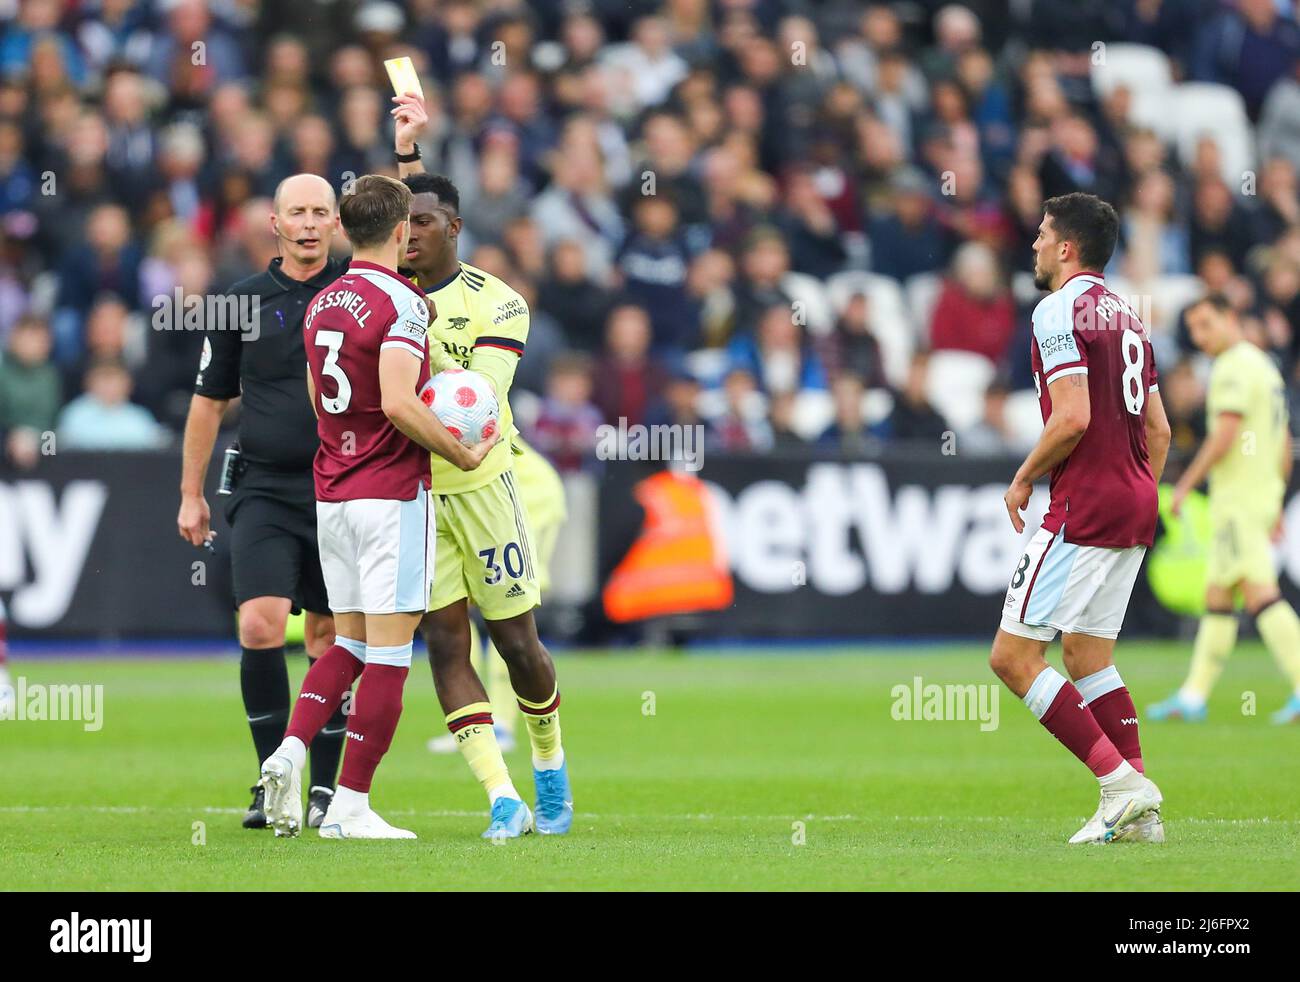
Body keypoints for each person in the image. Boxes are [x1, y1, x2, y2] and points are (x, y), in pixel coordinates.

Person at [259, 174, 491, 839]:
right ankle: (351, 805)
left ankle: (290, 750)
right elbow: (396, 400)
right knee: (389, 654)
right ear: (398, 232)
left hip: (333, 490)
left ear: (340, 228)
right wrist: (459, 450)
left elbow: (316, 396)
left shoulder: (321, 300)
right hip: (390, 493)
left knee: (349, 641)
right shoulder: (404, 304)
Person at [395, 92, 574, 838]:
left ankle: (549, 765)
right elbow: (395, 200)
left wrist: (447, 414)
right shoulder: (383, 293)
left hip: (484, 484)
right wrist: (406, 148)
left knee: (518, 644)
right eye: (400, 224)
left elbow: (483, 397)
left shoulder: (498, 304)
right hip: (415, 493)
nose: (408, 235)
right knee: (442, 639)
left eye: (424, 223)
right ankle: (502, 797)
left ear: (455, 229)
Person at [992, 192, 1171, 845]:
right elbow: (1158, 427)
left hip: (1086, 503)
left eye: (1042, 234)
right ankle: (1139, 812)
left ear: (1066, 247)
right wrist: (1137, 487)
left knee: (1013, 657)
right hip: (1134, 499)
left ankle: (1120, 786)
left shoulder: (1056, 309)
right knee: (1088, 655)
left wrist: (1023, 476)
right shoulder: (1130, 315)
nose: (1034, 244)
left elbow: (1072, 416)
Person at [177, 174, 350, 831]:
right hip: (265, 486)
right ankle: (271, 778)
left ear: (336, 222)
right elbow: (208, 401)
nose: (308, 223)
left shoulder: (358, 293)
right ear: (274, 224)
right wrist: (191, 493)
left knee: (333, 635)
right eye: (296, 212)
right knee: (260, 624)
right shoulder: (239, 300)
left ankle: (325, 790)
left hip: (342, 486)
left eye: (319, 212)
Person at [1149, 295, 1300, 724]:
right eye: (1194, 329)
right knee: (1218, 597)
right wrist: (1273, 498)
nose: (1200, 336)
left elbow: (1224, 436)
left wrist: (1185, 487)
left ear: (1230, 317)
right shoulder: (1264, 364)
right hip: (1257, 496)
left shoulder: (1233, 366)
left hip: (1237, 501)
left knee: (1259, 593)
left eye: (1207, 324)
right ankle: (1193, 697)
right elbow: (1283, 439)